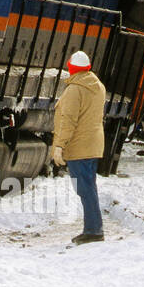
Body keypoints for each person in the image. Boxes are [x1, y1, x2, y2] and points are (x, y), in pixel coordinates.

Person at [52, 50, 107, 245]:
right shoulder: (97, 86)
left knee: (84, 188)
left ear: (71, 67)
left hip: (79, 146)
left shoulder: (75, 89)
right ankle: (93, 228)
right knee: (88, 186)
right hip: (92, 144)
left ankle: (93, 230)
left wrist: (59, 145)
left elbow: (69, 121)